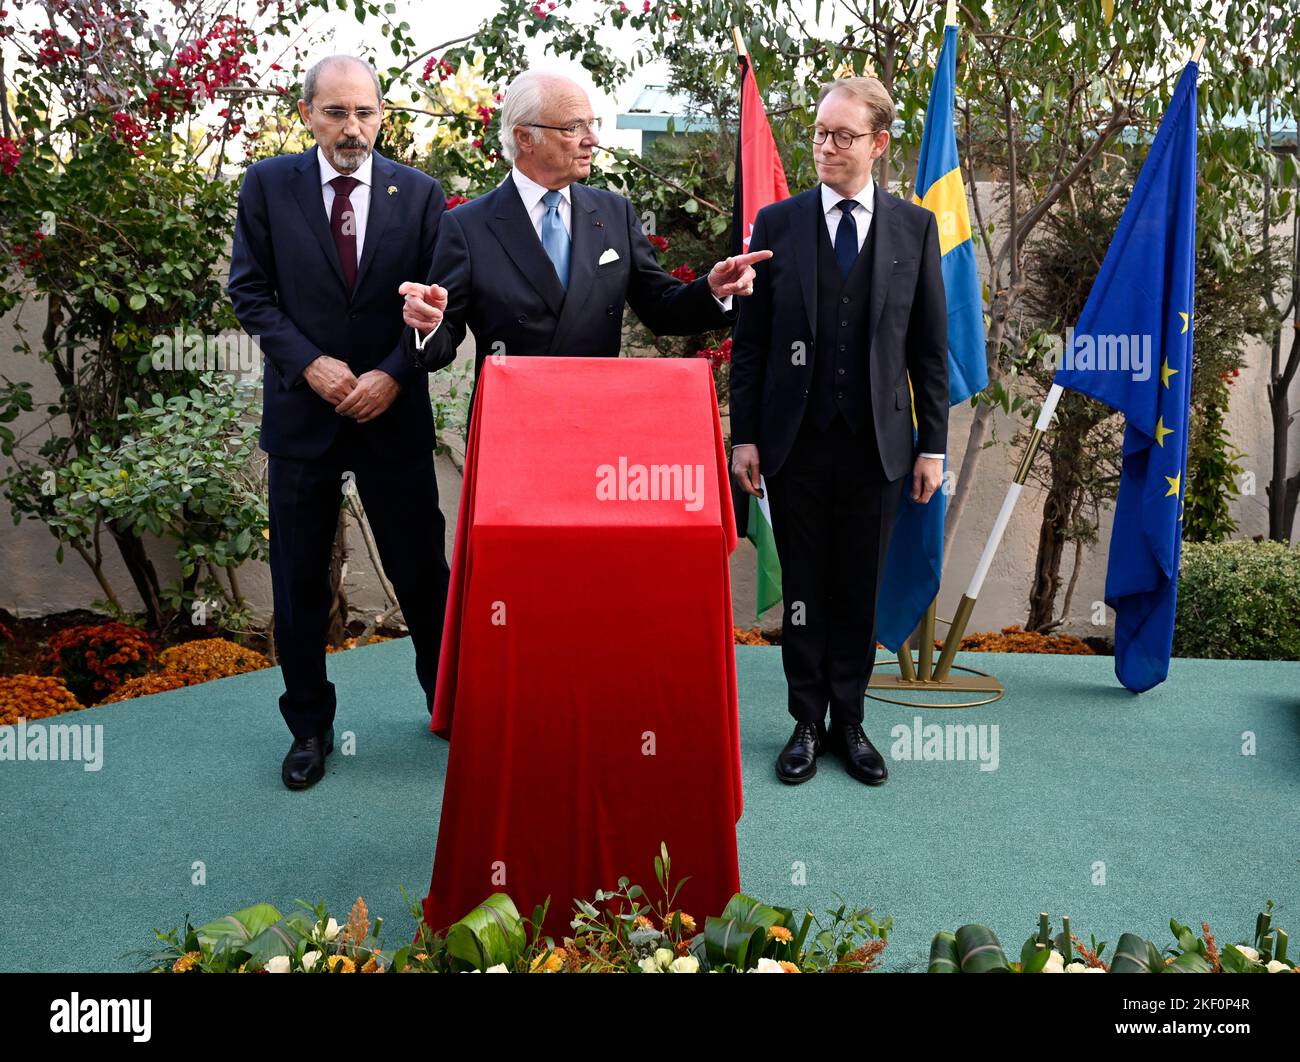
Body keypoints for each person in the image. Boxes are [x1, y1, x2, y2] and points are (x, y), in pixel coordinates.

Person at [227, 54, 450, 791]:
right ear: (306, 114)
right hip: (303, 417)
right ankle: (309, 730)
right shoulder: (267, 185)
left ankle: (448, 708)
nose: (352, 127)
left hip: (392, 415)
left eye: (365, 112)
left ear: (382, 114)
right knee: (296, 582)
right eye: (336, 112)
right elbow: (250, 292)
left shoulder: (419, 195)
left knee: (424, 575)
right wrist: (310, 365)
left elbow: (437, 311)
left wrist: (393, 370)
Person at [729, 76, 949, 787]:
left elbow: (928, 348)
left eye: (843, 135)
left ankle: (849, 721)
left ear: (878, 145)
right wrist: (747, 436)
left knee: (858, 587)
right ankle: (803, 720)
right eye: (821, 133)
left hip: (879, 448)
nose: (826, 145)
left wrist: (933, 445)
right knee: (803, 588)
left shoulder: (915, 229)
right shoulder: (778, 224)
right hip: (795, 444)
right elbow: (753, 342)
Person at [396, 69, 770, 379]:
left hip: (597, 413)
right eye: (574, 127)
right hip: (511, 423)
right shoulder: (467, 226)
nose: (592, 139)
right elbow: (443, 341)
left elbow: (660, 307)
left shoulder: (614, 213)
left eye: (591, 124)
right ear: (525, 137)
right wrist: (428, 327)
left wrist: (712, 288)